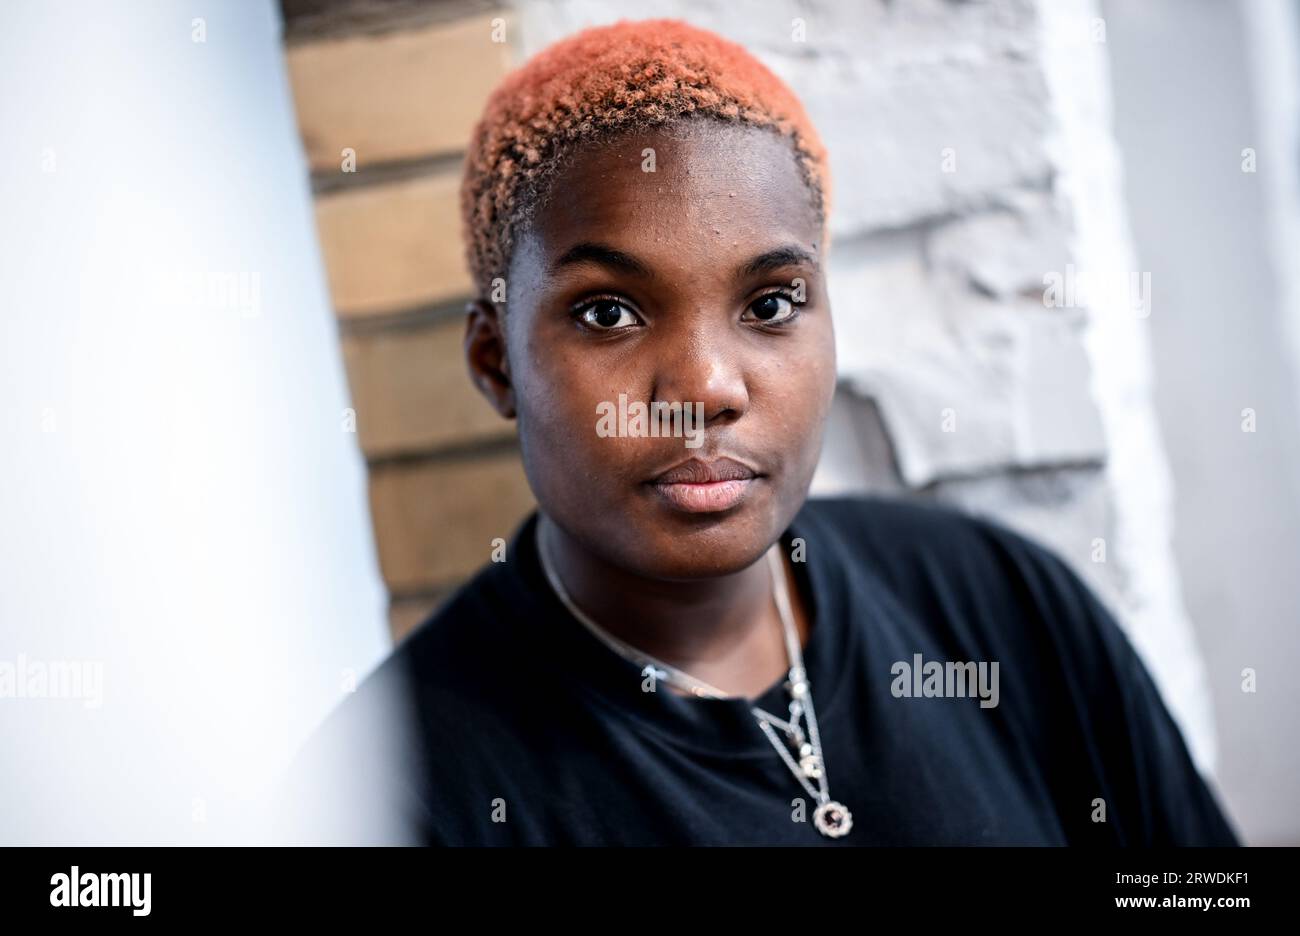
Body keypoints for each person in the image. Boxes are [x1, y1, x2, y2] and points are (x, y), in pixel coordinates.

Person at [275, 18, 1239, 846]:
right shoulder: (386, 798)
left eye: (772, 302)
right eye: (610, 313)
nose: (706, 385)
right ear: (496, 364)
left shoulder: (1001, 607)